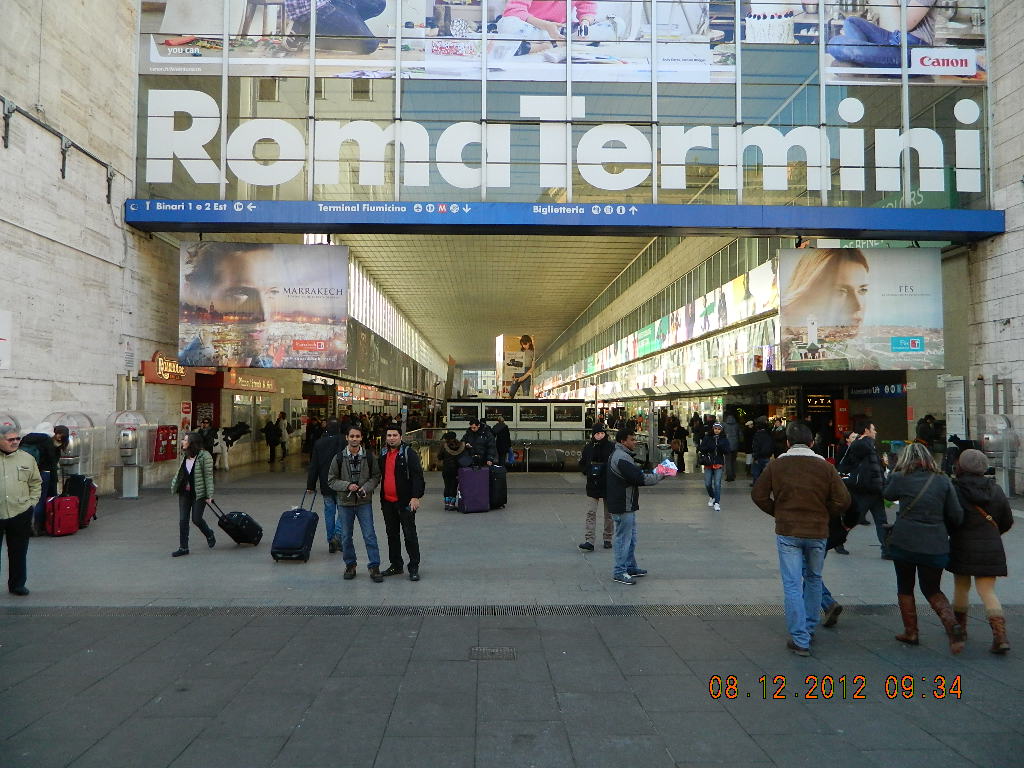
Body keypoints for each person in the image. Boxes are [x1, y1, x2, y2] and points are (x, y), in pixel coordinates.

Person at [751, 421, 851, 656]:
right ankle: (808, 627)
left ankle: (800, 638)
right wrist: (825, 513)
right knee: (814, 578)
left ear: (787, 443)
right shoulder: (825, 467)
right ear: (812, 442)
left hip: (788, 532)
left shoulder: (777, 466)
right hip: (817, 532)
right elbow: (843, 500)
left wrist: (778, 511)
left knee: (792, 583)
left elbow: (758, 494)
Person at [883, 443, 964, 654]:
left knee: (905, 586)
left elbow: (888, 495)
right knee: (931, 588)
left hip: (904, 543)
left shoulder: (901, 477)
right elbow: (956, 515)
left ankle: (911, 631)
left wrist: (893, 471)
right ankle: (951, 624)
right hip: (935, 544)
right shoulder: (943, 480)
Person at [948, 449, 1014, 654]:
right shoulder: (996, 489)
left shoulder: (956, 489)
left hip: (962, 545)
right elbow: (1007, 520)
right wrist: (992, 535)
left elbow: (952, 518)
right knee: (987, 591)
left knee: (961, 586)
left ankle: (960, 629)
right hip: (991, 547)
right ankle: (1000, 636)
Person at [605, 427, 664, 585]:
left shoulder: (621, 455)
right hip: (623, 504)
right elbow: (639, 478)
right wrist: (661, 473)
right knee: (624, 538)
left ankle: (630, 567)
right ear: (623, 441)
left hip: (624, 503)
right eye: (631, 439)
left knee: (630, 538)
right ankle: (619, 571)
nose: (635, 442)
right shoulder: (622, 457)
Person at [327, 425, 383, 582]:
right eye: (352, 436)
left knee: (369, 535)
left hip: (364, 502)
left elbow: (376, 476)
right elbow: (331, 480)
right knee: (346, 536)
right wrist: (347, 486)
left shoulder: (369, 457)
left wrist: (366, 488)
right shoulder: (338, 458)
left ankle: (374, 566)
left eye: (357, 436)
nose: (354, 439)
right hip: (345, 503)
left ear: (361, 438)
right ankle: (350, 565)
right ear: (347, 438)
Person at [827, 0, 939, 69]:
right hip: (897, 39)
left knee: (835, 44)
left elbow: (905, 24)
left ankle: (866, 59)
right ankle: (868, 58)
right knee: (851, 22)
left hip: (913, 52)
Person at [378, 426, 426, 581]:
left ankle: (413, 567)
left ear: (400, 436)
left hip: (405, 502)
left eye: (394, 435)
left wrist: (415, 496)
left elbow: (418, 476)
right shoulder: (383, 453)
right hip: (387, 502)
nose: (391, 438)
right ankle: (396, 565)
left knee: (409, 534)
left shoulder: (408, 453)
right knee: (392, 535)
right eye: (389, 435)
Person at [0, 425, 42, 596]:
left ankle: (17, 584)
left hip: (20, 511)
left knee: (18, 551)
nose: (15, 442)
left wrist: (31, 503)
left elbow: (35, 483)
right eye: (11, 439)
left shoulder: (27, 458)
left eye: (18, 439)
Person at [839, 416, 889, 558]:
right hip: (865, 490)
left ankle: (886, 549)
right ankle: (837, 541)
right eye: (873, 429)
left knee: (881, 520)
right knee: (855, 518)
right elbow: (869, 465)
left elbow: (874, 467)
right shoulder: (863, 444)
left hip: (874, 489)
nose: (876, 432)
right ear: (866, 430)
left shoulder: (868, 445)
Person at [169, 431, 217, 557]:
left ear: (192, 443)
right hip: (184, 492)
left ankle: (209, 533)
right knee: (183, 520)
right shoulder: (185, 455)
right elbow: (181, 473)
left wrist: (209, 495)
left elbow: (208, 477)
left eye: (185, 440)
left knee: (196, 519)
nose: (182, 442)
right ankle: (183, 547)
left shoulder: (204, 457)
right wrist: (174, 484)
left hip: (199, 493)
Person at [284, 0, 387, 55]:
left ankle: (328, 30)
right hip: (315, 8)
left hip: (330, 2)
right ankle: (306, 27)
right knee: (369, 44)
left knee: (378, 3)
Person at [306, 419, 343, 553]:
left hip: (325, 482)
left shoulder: (319, 443)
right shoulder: (344, 441)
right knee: (343, 511)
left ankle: (330, 539)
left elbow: (314, 465)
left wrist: (310, 484)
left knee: (329, 512)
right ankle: (338, 537)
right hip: (342, 483)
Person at [578, 425, 614, 552]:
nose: (599, 435)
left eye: (601, 433)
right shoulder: (588, 448)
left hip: (608, 484)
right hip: (593, 484)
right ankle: (589, 540)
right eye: (597, 433)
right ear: (593, 435)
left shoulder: (611, 447)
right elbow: (582, 463)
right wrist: (588, 471)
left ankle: (607, 538)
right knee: (591, 513)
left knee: (609, 514)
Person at [18, 422, 62, 499]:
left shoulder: (26, 437)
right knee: (41, 498)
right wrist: (54, 479)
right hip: (43, 472)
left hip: (25, 471)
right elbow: (51, 459)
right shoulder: (47, 439)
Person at [698, 422, 729, 511]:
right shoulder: (707, 437)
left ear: (721, 430)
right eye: (715, 428)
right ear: (713, 429)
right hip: (708, 463)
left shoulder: (724, 439)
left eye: (719, 429)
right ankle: (712, 496)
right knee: (707, 484)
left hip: (718, 463)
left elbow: (727, 451)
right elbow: (701, 448)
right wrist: (710, 447)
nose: (717, 430)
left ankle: (717, 502)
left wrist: (720, 446)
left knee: (717, 484)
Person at [439, 431, 470, 511]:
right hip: (456, 470)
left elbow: (439, 457)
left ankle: (446, 504)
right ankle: (451, 504)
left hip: (446, 469)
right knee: (453, 486)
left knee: (447, 486)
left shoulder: (444, 446)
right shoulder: (461, 446)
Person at [506, 335, 536, 400]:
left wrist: (523, 377)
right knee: (511, 393)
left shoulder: (533, 351)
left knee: (526, 394)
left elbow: (533, 367)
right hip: (518, 371)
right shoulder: (520, 350)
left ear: (529, 342)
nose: (524, 346)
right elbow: (516, 363)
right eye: (522, 344)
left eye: (525, 344)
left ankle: (524, 409)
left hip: (527, 372)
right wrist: (513, 374)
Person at [750, 418, 774, 488]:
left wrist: (755, 456)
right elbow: (772, 444)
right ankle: (767, 487)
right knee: (767, 474)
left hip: (758, 457)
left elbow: (755, 446)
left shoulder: (757, 435)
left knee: (756, 473)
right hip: (767, 456)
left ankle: (757, 487)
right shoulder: (769, 434)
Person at [722, 413, 741, 482]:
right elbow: (740, 435)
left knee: (728, 461)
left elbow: (721, 434)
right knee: (733, 461)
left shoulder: (724, 425)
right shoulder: (737, 425)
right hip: (735, 445)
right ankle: (733, 474)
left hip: (727, 445)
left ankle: (729, 476)